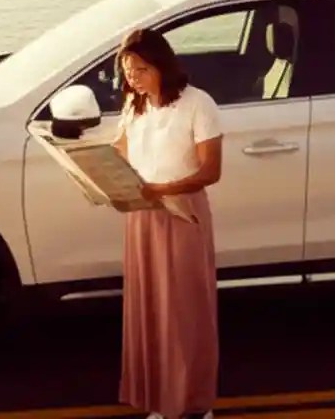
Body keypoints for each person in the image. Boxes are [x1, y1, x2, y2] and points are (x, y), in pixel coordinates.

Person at [111, 27, 223, 419]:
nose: (134, 79)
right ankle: (161, 402)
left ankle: (195, 404)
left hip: (181, 212)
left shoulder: (197, 104)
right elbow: (120, 155)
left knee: (185, 310)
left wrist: (161, 189)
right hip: (142, 215)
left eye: (141, 70)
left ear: (162, 65)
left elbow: (211, 171)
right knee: (150, 309)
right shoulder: (134, 106)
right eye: (128, 71)